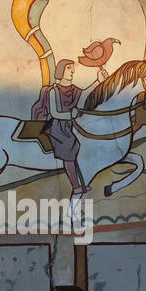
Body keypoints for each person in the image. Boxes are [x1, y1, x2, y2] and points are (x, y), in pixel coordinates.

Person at [32, 59, 88, 195]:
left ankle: (81, 183)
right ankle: (76, 187)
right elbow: (55, 113)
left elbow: (87, 93)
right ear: (61, 71)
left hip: (70, 124)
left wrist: (98, 81)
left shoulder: (74, 89)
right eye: (69, 68)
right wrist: (71, 115)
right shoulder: (53, 91)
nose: (72, 71)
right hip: (57, 126)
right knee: (69, 146)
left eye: (72, 68)